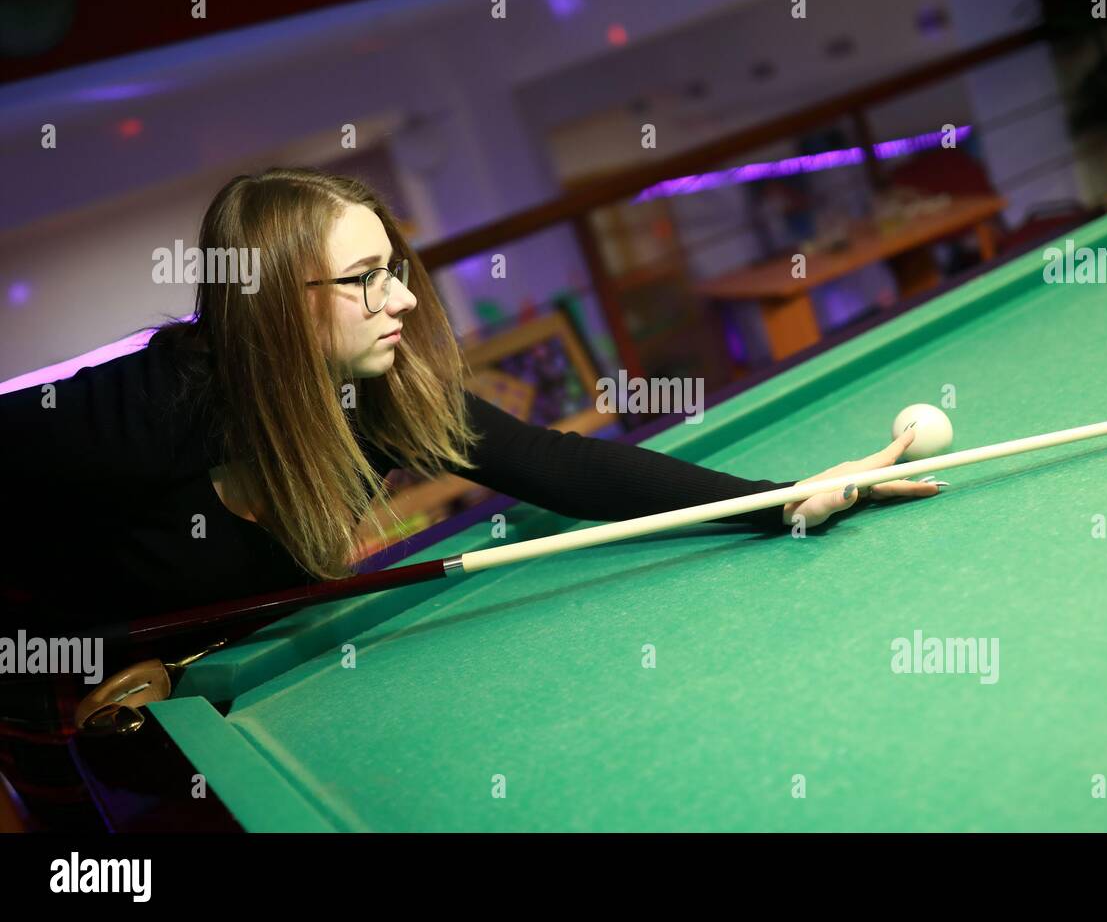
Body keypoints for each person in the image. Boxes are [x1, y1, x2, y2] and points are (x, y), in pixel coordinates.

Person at [0, 168, 938, 826]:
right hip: (58, 691)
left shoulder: (375, 392)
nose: (399, 298)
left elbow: (563, 466)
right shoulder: (131, 413)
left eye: (395, 268)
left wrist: (782, 501)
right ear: (281, 301)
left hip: (198, 674)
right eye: (365, 279)